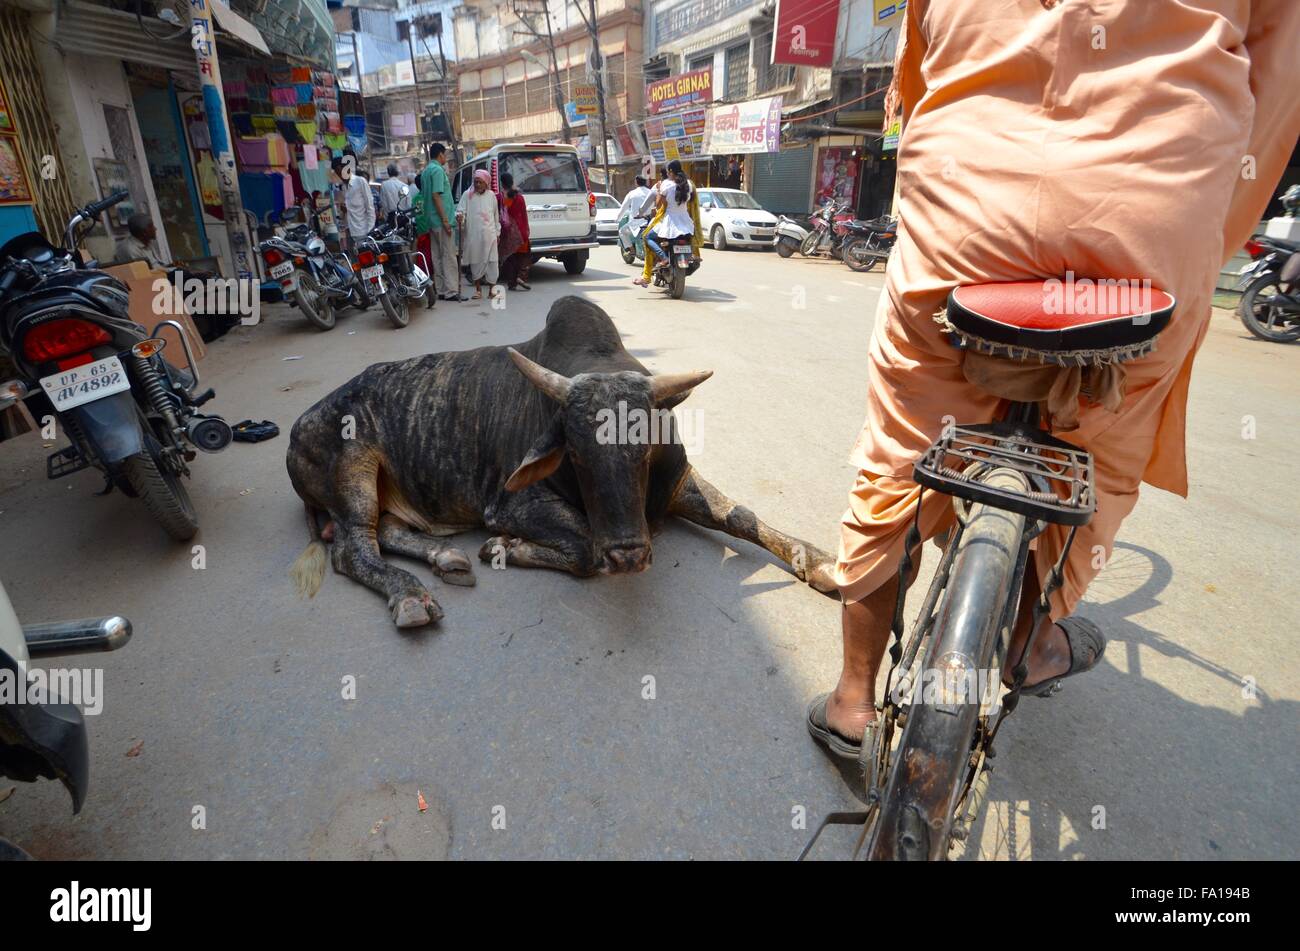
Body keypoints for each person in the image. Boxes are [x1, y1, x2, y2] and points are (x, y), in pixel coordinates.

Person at [806, 0, 1300, 760]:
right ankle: (1032, 646)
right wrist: (1201, 237)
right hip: (1148, 241)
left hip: (962, 227)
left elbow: (918, 75)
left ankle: (850, 699)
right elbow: (1272, 107)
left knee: (901, 461)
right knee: (1100, 453)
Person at [633, 160, 701, 288]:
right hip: (685, 221)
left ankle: (663, 257)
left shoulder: (666, 185)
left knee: (647, 237)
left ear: (670, 172)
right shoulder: (689, 185)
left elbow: (659, 204)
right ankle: (693, 254)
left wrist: (659, 190)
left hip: (669, 221)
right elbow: (690, 203)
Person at [417, 143, 466, 301]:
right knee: (449, 256)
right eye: (445, 155)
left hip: (431, 221)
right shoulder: (437, 170)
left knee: (437, 256)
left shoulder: (425, 172)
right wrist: (445, 220)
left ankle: (441, 289)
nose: (446, 158)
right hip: (441, 220)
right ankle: (451, 290)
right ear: (440, 155)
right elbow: (436, 196)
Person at [456, 168, 500, 300]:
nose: (477, 185)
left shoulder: (492, 196)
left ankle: (492, 290)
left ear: (486, 183)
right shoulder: (467, 195)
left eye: (480, 182)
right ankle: (478, 290)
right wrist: (459, 216)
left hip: (490, 235)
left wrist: (498, 232)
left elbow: (496, 216)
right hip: (474, 236)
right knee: (476, 262)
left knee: (492, 262)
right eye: (475, 182)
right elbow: (460, 211)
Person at [331, 154, 374, 250]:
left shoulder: (360, 182)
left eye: (340, 171)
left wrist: (369, 230)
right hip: (349, 231)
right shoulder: (343, 187)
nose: (340, 175)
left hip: (362, 232)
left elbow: (370, 207)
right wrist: (344, 211)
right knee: (354, 262)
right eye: (337, 173)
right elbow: (344, 213)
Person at [497, 172, 532, 291]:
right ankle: (520, 277)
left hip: (507, 233)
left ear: (502, 183)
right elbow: (524, 216)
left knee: (509, 258)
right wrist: (527, 230)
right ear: (512, 182)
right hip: (521, 231)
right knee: (522, 257)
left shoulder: (500, 198)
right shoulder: (520, 197)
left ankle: (512, 282)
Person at [617, 175, 652, 259]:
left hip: (636, 223)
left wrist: (617, 219)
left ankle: (632, 250)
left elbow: (623, 207)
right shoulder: (651, 192)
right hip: (651, 221)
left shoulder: (632, 193)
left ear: (636, 182)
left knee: (622, 231)